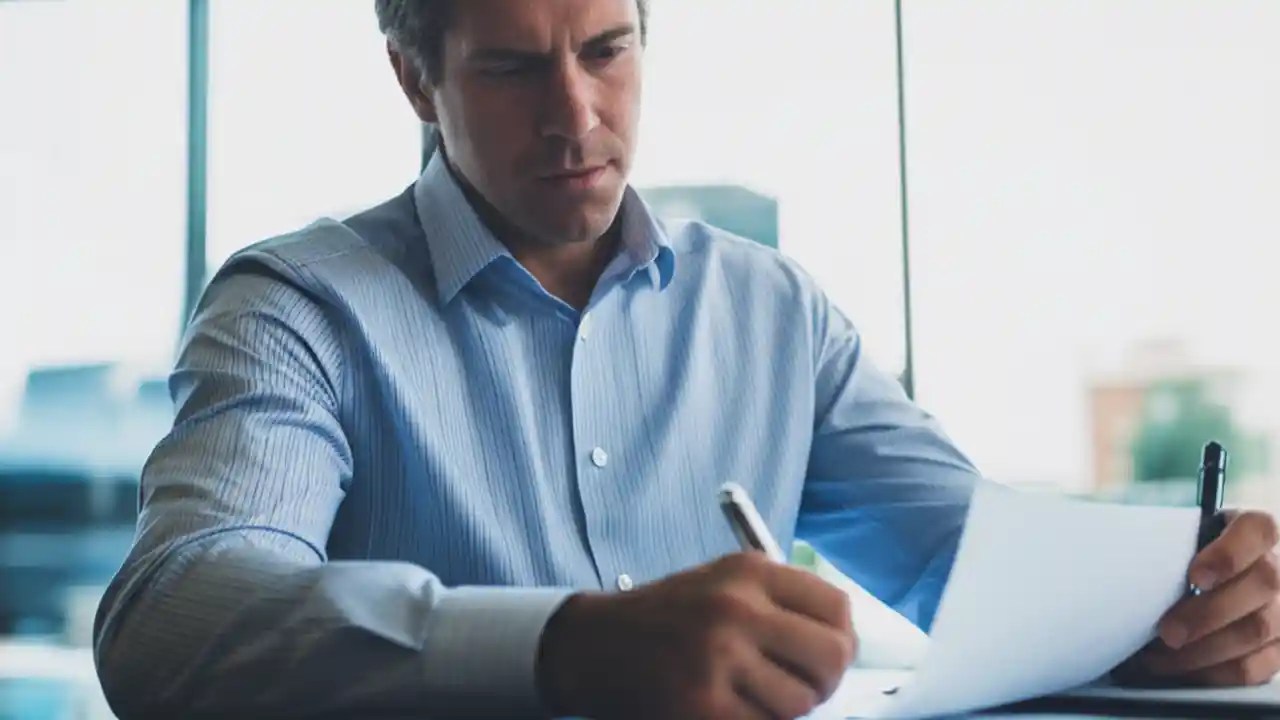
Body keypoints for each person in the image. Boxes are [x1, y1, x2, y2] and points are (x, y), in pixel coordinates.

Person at [93, 0, 1280, 717]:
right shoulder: (297, 308)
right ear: (415, 75)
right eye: (510, 67)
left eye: (606, 48)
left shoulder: (770, 312)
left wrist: (1177, 619)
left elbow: (986, 582)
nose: (576, 115)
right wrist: (564, 645)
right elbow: (171, 623)